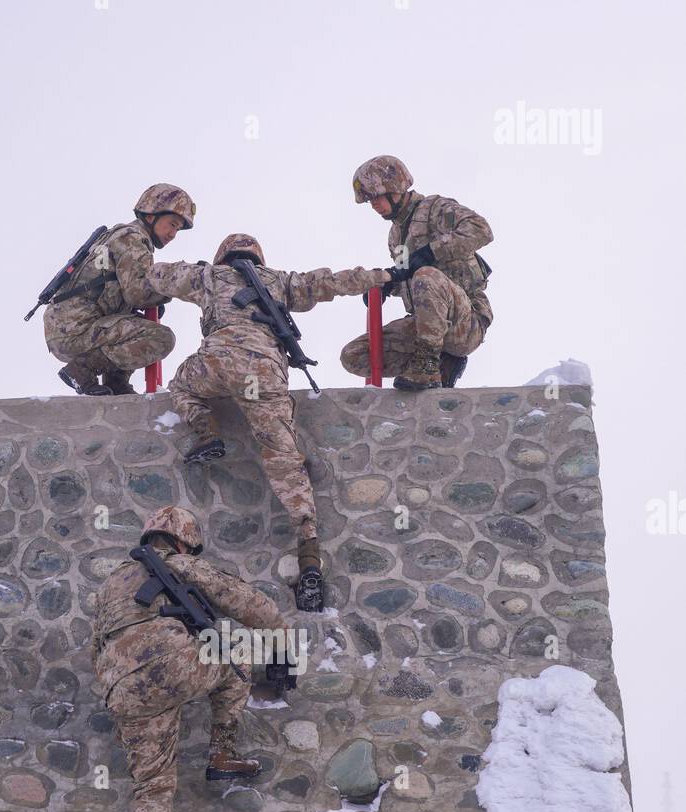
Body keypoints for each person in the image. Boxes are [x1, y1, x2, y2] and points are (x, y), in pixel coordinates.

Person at [145, 235, 393, 612]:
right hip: (263, 372)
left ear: (222, 255)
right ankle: (309, 557)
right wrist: (379, 276)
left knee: (181, 385)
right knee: (286, 464)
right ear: (258, 257)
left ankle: (206, 430)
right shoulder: (282, 281)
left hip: (216, 364)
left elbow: (157, 275)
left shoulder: (206, 277)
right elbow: (329, 282)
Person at [91, 505, 294, 812]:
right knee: (235, 652)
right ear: (182, 541)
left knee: (152, 786)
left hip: (123, 689)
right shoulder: (180, 565)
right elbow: (251, 606)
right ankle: (222, 750)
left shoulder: (110, 584)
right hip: (173, 664)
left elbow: (97, 645)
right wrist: (283, 644)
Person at [341, 155, 493, 391]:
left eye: (376, 197)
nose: (374, 206)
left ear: (395, 188)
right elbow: (407, 274)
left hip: (465, 321)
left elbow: (481, 230)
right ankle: (437, 363)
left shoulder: (434, 209)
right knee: (355, 355)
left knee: (426, 275)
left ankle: (428, 366)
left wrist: (432, 251)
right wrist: (389, 286)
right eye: (369, 201)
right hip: (424, 324)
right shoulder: (395, 236)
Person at [43, 184, 195, 395]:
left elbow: (123, 293)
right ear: (151, 216)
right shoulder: (132, 237)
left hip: (69, 327)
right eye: (172, 224)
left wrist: (153, 299)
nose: (173, 234)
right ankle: (81, 370)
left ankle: (116, 382)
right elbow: (138, 293)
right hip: (77, 328)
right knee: (160, 338)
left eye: (177, 229)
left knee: (137, 323)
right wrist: (182, 282)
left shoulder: (122, 235)